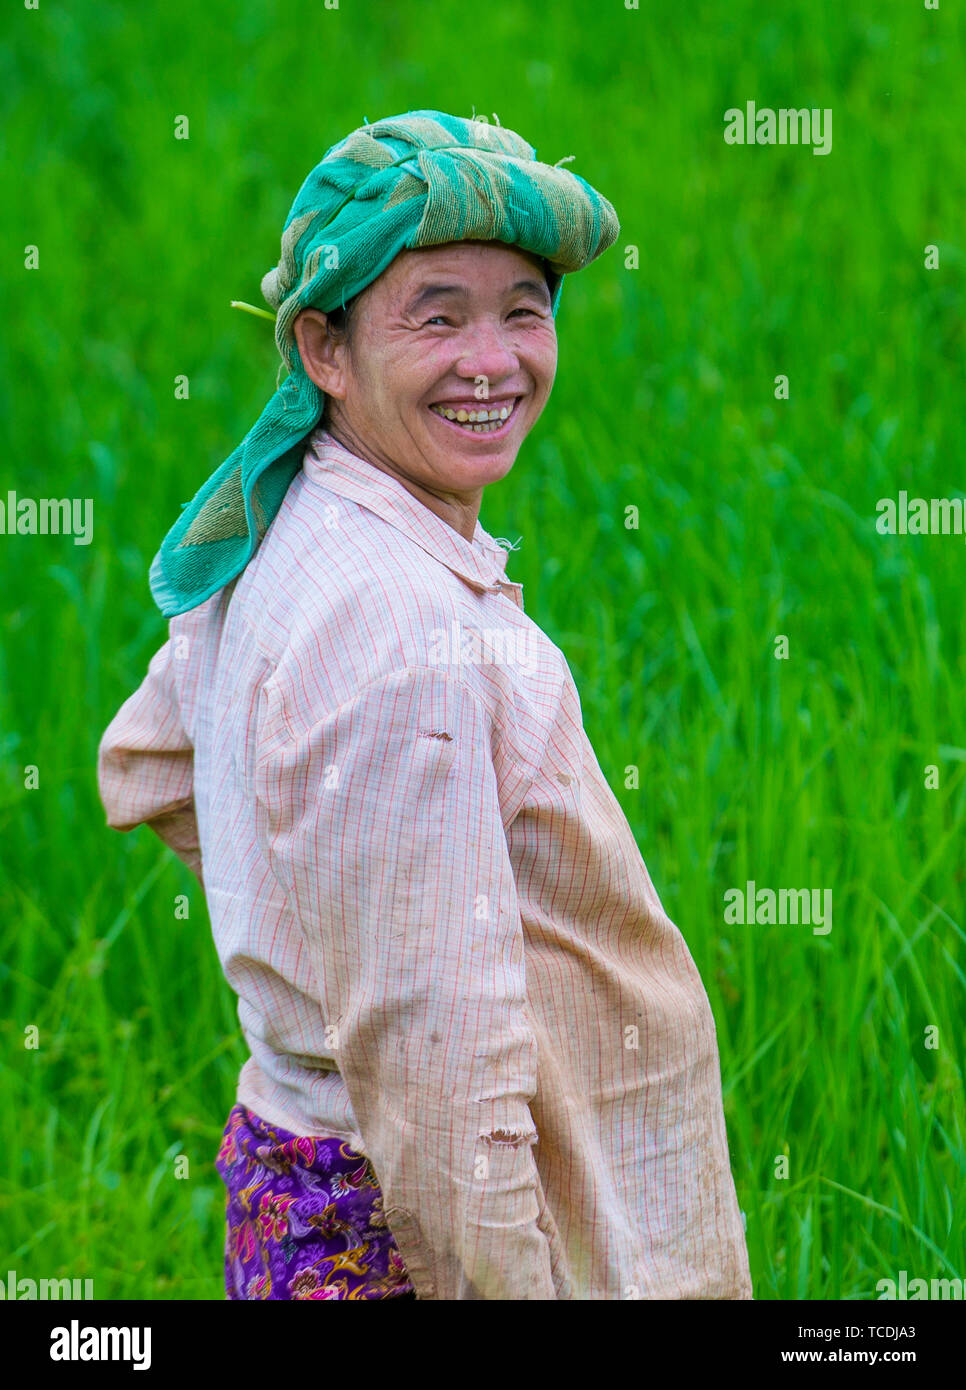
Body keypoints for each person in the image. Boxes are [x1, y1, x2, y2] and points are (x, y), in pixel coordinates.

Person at [97, 108, 753, 1300]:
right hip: (406, 1232)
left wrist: (310, 928)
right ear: (324, 350)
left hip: (298, 1175)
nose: (493, 359)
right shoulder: (408, 636)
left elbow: (148, 760)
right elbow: (441, 1080)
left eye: (525, 308)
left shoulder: (282, 523)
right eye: (436, 315)